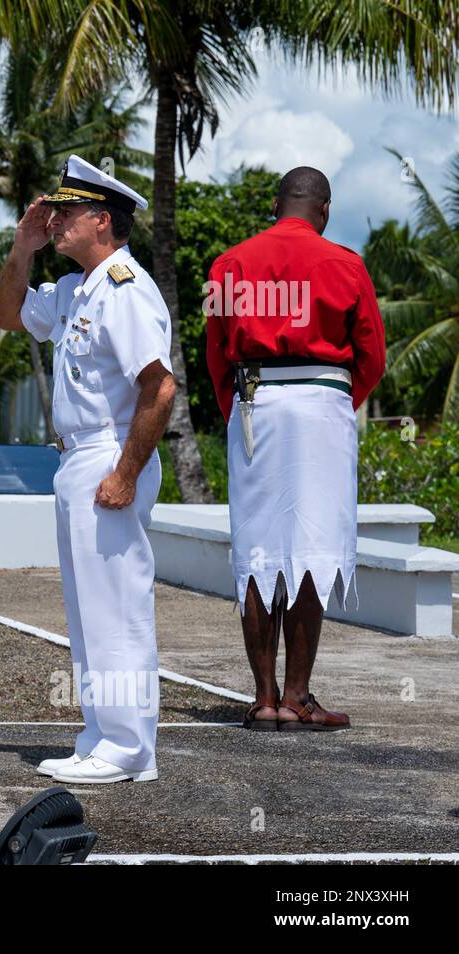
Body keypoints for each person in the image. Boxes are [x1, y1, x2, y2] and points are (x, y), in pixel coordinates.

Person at [0, 155, 177, 783]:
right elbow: (7, 314)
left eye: (67, 213)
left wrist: (125, 473)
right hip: (77, 458)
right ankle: (101, 736)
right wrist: (23, 247)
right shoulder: (76, 290)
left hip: (108, 452)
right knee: (88, 610)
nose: (56, 221)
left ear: (102, 220)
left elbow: (159, 389)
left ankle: (127, 749)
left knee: (117, 605)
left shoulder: (125, 286)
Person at [205, 166, 385, 732]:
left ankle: (262, 700)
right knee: (313, 545)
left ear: (276, 205)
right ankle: (298, 698)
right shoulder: (347, 264)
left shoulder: (228, 264)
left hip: (254, 398)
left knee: (258, 550)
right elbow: (371, 353)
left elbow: (214, 350)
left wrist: (236, 409)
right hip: (322, 403)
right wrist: (334, 400)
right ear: (324, 210)